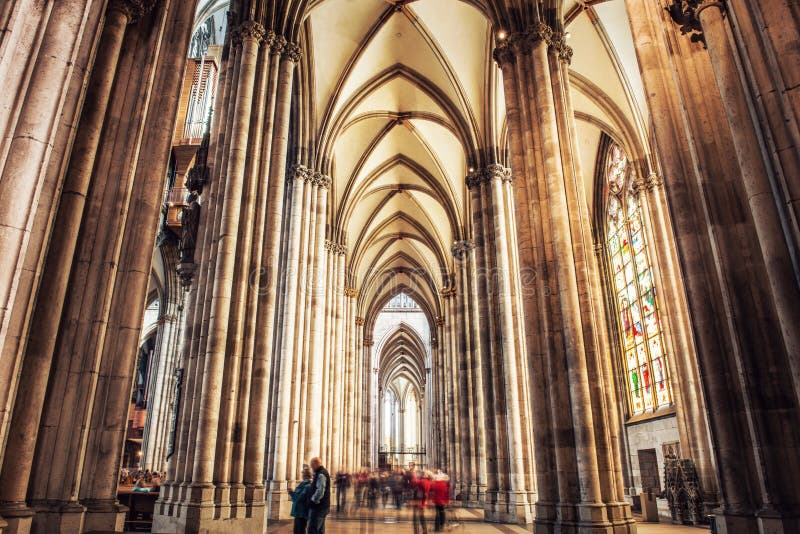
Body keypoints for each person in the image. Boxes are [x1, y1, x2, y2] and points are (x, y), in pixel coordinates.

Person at [308, 457, 331, 534]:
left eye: (312, 466)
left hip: (319, 507)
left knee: (313, 529)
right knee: (320, 530)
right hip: (322, 506)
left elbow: (320, 491)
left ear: (316, 464)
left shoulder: (321, 474)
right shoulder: (321, 472)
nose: (312, 468)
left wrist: (313, 500)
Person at [289, 465, 313, 534]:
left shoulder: (307, 486)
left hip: (301, 512)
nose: (302, 475)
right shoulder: (304, 484)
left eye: (302, 473)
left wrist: (291, 492)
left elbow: (299, 498)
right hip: (299, 512)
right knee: (297, 530)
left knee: (300, 530)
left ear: (305, 475)